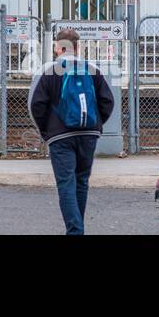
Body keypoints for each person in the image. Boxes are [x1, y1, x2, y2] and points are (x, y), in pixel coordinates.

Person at [28, 27, 115, 235]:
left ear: (58, 48)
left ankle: (75, 230)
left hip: (60, 136)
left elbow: (36, 105)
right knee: (81, 182)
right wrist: (95, 126)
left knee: (66, 183)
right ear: (78, 47)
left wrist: (46, 132)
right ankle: (77, 227)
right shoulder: (92, 69)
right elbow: (107, 101)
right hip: (89, 135)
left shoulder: (48, 70)